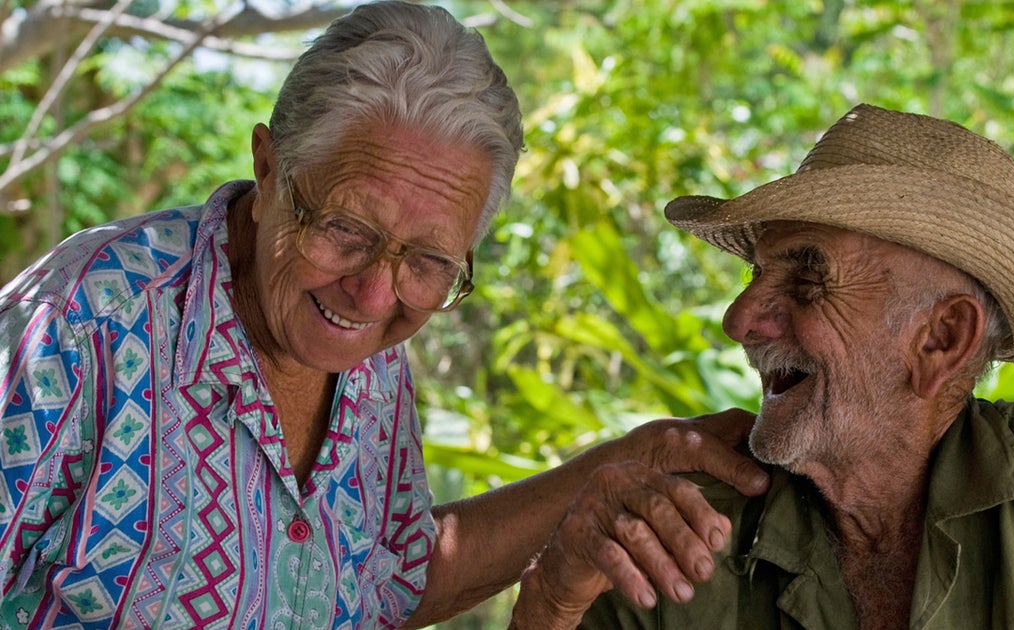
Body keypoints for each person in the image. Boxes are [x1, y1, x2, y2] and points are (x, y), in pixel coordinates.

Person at [0, 2, 769, 627]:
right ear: (268, 171)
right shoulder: (83, 325)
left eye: (428, 261)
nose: (372, 295)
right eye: (344, 230)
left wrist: (631, 459)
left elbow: (389, 580)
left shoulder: (365, 353)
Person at [512, 104, 1014, 629]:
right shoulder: (680, 532)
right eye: (756, 274)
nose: (739, 318)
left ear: (941, 340)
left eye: (808, 278)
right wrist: (550, 601)